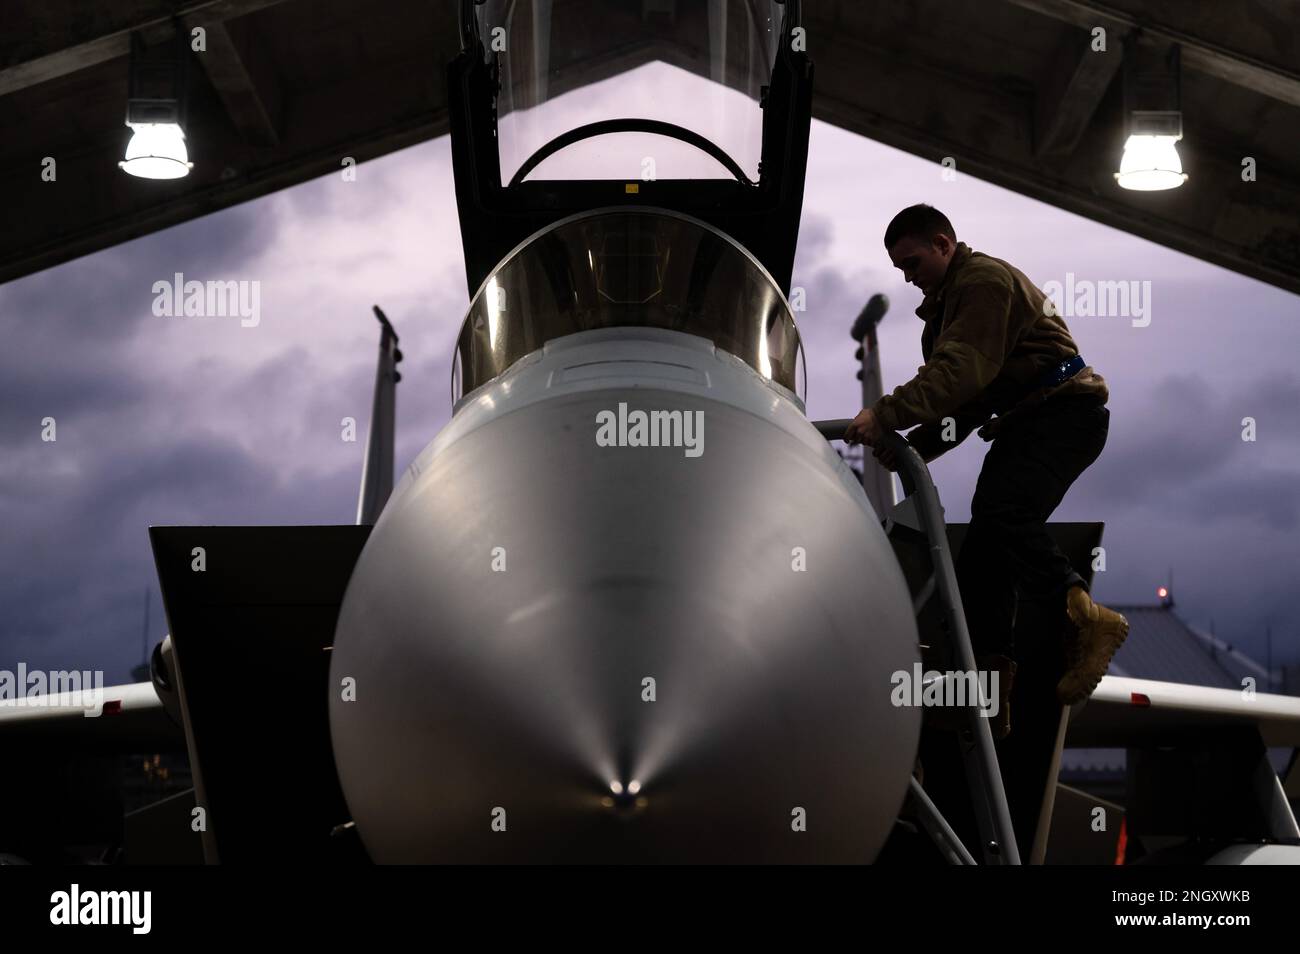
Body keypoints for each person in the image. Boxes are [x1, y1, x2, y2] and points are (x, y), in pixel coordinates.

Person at [843, 204, 1129, 738]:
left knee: (1002, 512)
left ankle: (1088, 618)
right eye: (900, 269)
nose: (908, 276)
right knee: (983, 559)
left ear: (944, 243)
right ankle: (993, 693)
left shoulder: (983, 285)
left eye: (913, 261)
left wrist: (884, 414)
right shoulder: (947, 310)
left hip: (1065, 415)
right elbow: (970, 403)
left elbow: (958, 375)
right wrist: (919, 445)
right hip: (1029, 421)